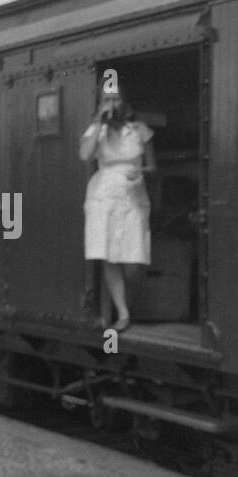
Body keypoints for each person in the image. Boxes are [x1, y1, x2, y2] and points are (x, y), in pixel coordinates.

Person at [79, 87, 156, 332]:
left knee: (135, 259)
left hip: (133, 195)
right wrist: (98, 123)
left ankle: (129, 305)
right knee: (110, 255)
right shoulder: (96, 130)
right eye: (107, 99)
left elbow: (152, 166)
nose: (112, 103)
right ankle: (123, 313)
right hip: (103, 196)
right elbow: (84, 155)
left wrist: (140, 173)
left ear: (125, 101)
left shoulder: (140, 129)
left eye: (116, 98)